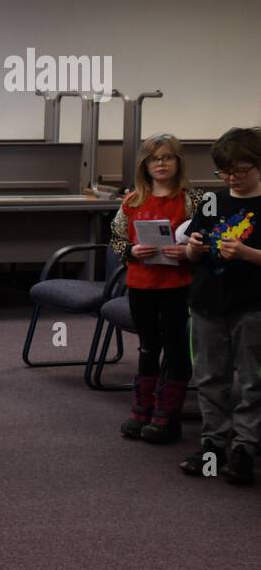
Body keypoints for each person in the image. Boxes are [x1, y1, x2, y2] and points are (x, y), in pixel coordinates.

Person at [108, 135, 203, 442]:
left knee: (175, 348)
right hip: (141, 284)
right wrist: (133, 251)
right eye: (153, 159)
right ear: (144, 166)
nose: (160, 163)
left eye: (167, 157)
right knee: (148, 346)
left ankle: (167, 417)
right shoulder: (133, 200)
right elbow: (117, 238)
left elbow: (208, 240)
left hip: (177, 285)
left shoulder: (193, 200)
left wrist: (188, 252)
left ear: (178, 162)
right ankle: (142, 410)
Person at [180, 127, 261, 485]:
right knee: (211, 378)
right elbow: (188, 252)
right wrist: (193, 249)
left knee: (253, 380)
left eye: (240, 172)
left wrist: (246, 253)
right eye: (224, 173)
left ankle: (245, 449)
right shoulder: (211, 201)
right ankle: (213, 447)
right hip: (208, 302)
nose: (231, 179)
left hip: (252, 305)